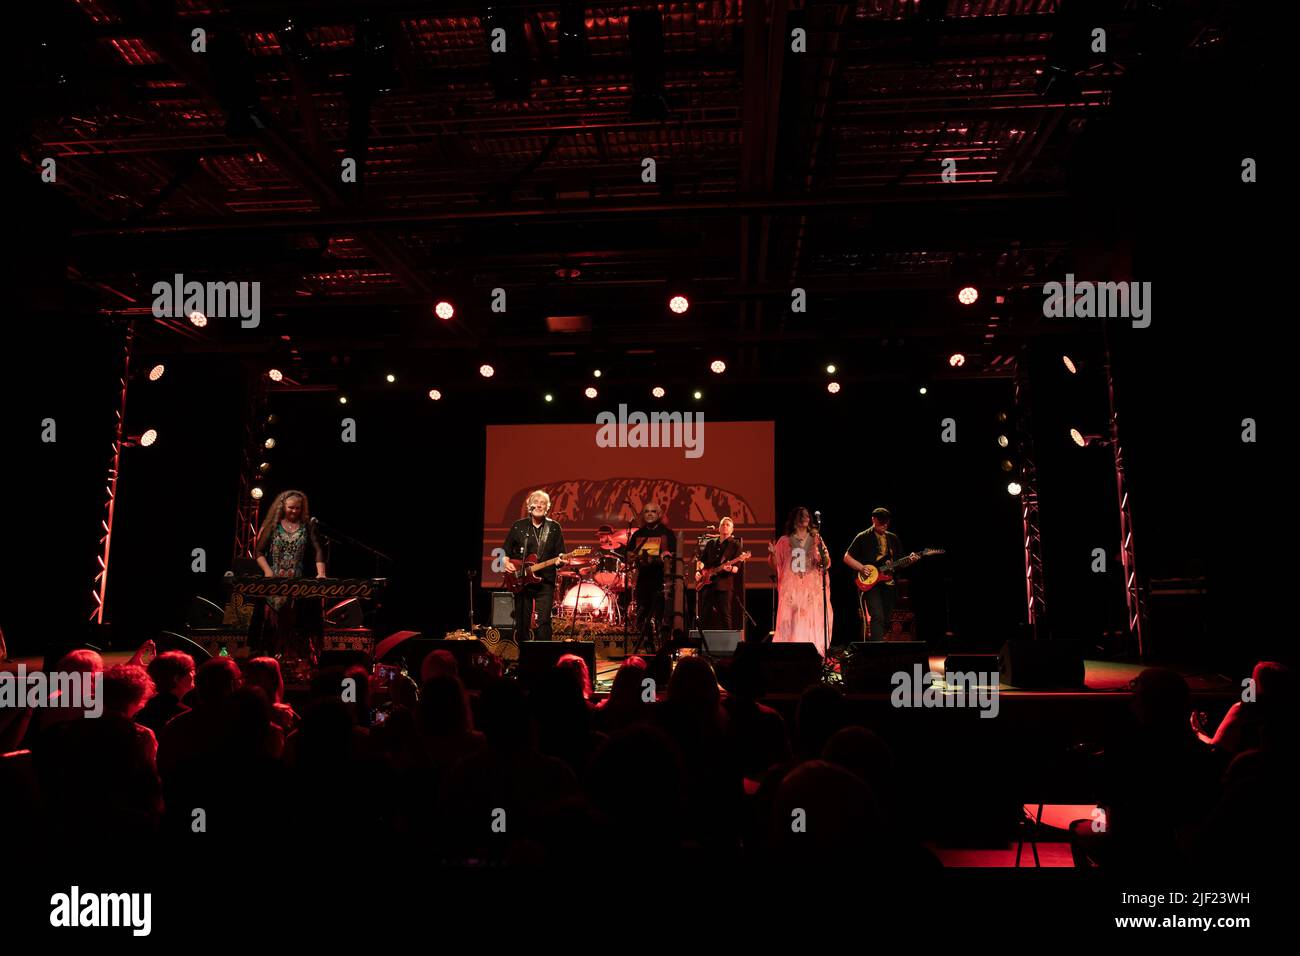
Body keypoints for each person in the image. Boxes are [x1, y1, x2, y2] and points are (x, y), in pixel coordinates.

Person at [253, 489, 327, 664]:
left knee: (295, 626)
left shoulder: (307, 527)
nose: (294, 511)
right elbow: (258, 551)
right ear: (283, 507)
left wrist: (321, 573)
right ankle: (271, 661)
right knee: (273, 627)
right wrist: (268, 571)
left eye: (298, 508)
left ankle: (294, 663)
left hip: (297, 586)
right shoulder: (273, 526)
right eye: (291, 508)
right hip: (274, 584)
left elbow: (318, 550)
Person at [502, 490, 567, 642]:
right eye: (535, 502)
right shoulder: (518, 526)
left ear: (548, 507)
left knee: (543, 621)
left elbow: (561, 554)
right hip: (521, 580)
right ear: (529, 506)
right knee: (522, 622)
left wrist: (560, 561)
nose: (539, 505)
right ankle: (524, 657)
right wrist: (506, 562)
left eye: (543, 503)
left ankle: (543, 656)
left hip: (545, 581)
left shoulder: (554, 527)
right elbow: (505, 550)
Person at [769, 506, 833, 656]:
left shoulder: (816, 539)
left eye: (807, 515)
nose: (805, 517)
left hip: (812, 587)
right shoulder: (784, 541)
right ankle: (791, 652)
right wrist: (772, 554)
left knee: (809, 617)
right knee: (793, 617)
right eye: (801, 515)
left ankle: (812, 652)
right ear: (795, 519)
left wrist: (823, 558)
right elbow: (776, 564)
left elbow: (826, 562)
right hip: (791, 587)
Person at [843, 507, 914, 642]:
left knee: (886, 618)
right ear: (873, 519)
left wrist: (910, 560)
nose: (884, 525)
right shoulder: (862, 537)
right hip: (871, 584)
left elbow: (901, 562)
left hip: (889, 583)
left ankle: (878, 643)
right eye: (881, 522)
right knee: (877, 616)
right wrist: (861, 567)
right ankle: (876, 652)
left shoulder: (892, 538)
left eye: (886, 522)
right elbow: (847, 557)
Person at [625, 503, 677, 648]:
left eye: (653, 511)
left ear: (659, 514)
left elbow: (673, 555)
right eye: (646, 511)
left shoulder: (667, 534)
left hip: (662, 581)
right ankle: (648, 646)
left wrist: (665, 557)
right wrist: (631, 556)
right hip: (643, 581)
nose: (649, 514)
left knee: (661, 617)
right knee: (642, 615)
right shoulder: (638, 534)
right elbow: (628, 554)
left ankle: (663, 648)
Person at [697, 517, 744, 630]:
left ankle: (729, 646)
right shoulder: (710, 544)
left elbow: (736, 569)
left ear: (732, 530)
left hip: (723, 586)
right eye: (723, 524)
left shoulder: (735, 545)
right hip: (707, 584)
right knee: (704, 615)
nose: (725, 526)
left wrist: (730, 568)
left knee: (725, 615)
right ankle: (700, 645)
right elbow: (701, 561)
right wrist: (699, 571)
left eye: (728, 525)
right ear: (718, 528)